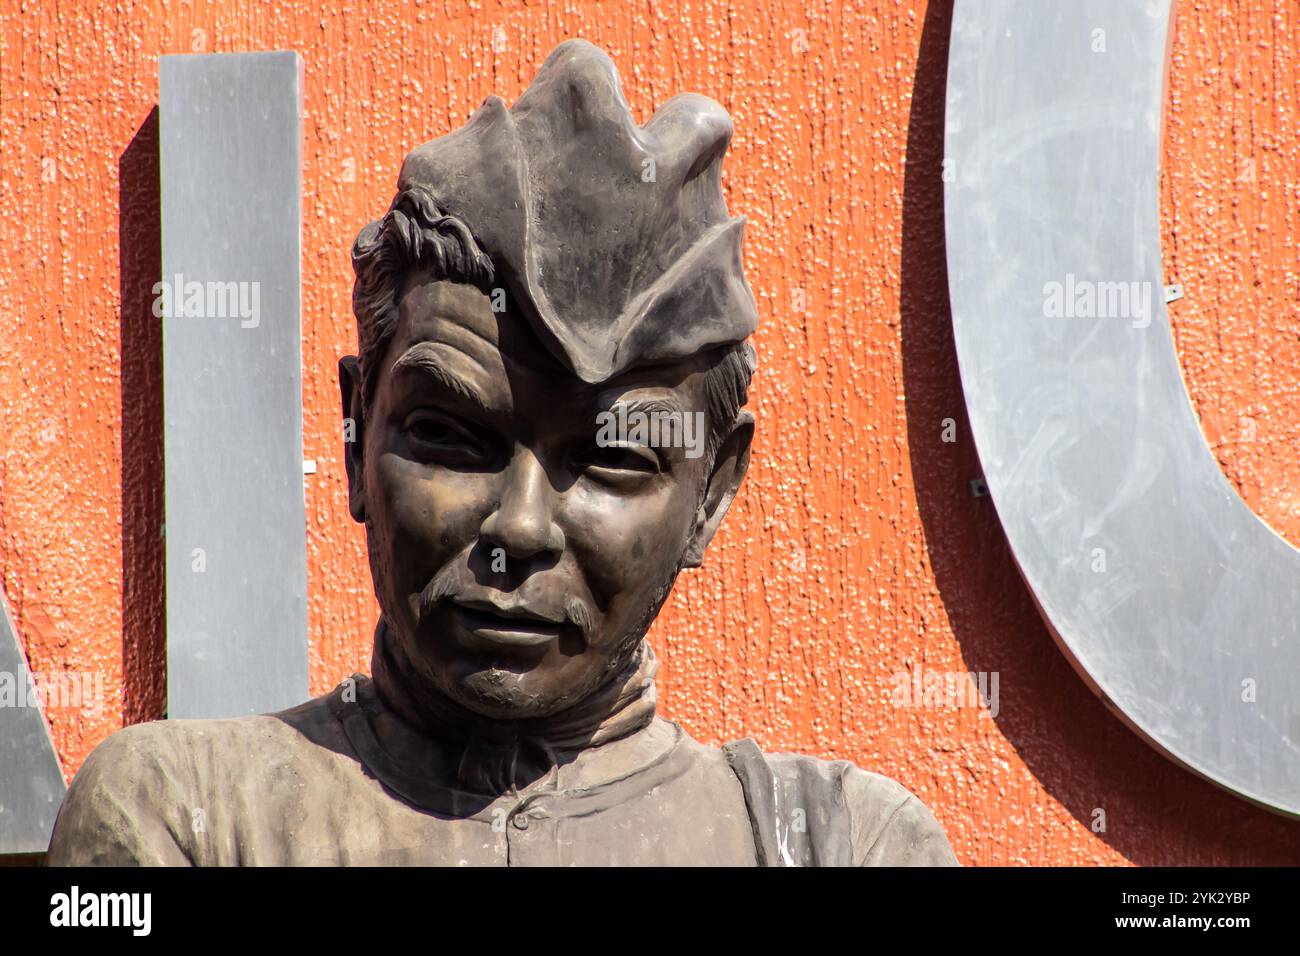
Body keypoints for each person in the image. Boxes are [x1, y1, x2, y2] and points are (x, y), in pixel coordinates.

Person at [47, 39, 957, 867]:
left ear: (712, 493)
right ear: (358, 423)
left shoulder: (845, 847)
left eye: (611, 461)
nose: (518, 527)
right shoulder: (181, 818)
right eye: (449, 436)